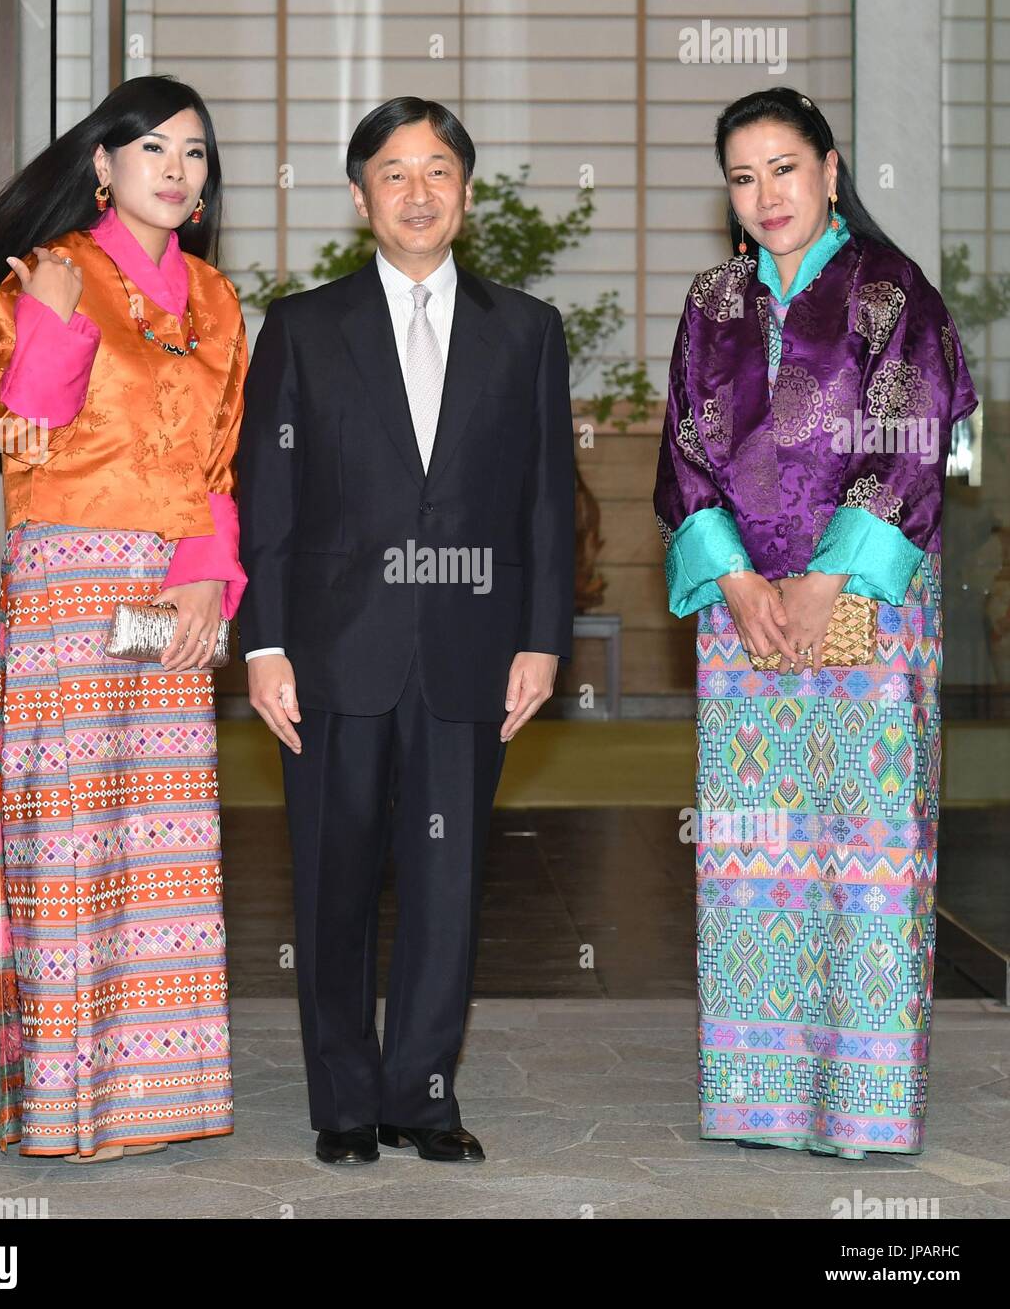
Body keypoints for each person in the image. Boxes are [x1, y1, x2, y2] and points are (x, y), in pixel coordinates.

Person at [0, 75, 247, 1162]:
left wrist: (207, 580)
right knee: (73, 837)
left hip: (169, 592)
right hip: (69, 589)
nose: (177, 169)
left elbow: (220, 461)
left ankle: (161, 1096)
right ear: (102, 165)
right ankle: (67, 1101)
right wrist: (49, 316)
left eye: (194, 152)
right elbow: (22, 434)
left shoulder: (218, 299)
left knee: (164, 836)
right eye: (153, 148)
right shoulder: (54, 273)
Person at [238, 97, 575, 1164]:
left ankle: (422, 1094)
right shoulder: (301, 325)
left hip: (471, 651)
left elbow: (545, 500)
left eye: (438, 172)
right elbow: (269, 501)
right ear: (358, 195)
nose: (417, 192)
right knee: (332, 880)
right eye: (393, 172)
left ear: (466, 196)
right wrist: (264, 643)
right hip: (335, 653)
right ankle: (343, 1101)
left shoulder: (524, 329)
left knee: (447, 884)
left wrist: (540, 637)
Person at [653, 87, 978, 1159]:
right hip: (744, 619)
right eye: (742, 177)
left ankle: (866, 1105)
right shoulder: (712, 302)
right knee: (756, 845)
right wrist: (741, 585)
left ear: (830, 171)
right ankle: (759, 1095)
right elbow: (687, 458)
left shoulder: (893, 296)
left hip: (867, 614)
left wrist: (827, 579)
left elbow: (911, 442)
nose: (764, 195)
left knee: (867, 848)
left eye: (783, 169)